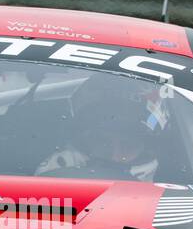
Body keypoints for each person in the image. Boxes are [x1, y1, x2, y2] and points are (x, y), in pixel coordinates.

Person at [36, 74, 165, 181]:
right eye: (103, 143)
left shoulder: (174, 194)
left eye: (127, 146)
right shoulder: (55, 170)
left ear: (147, 151)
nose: (115, 155)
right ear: (84, 142)